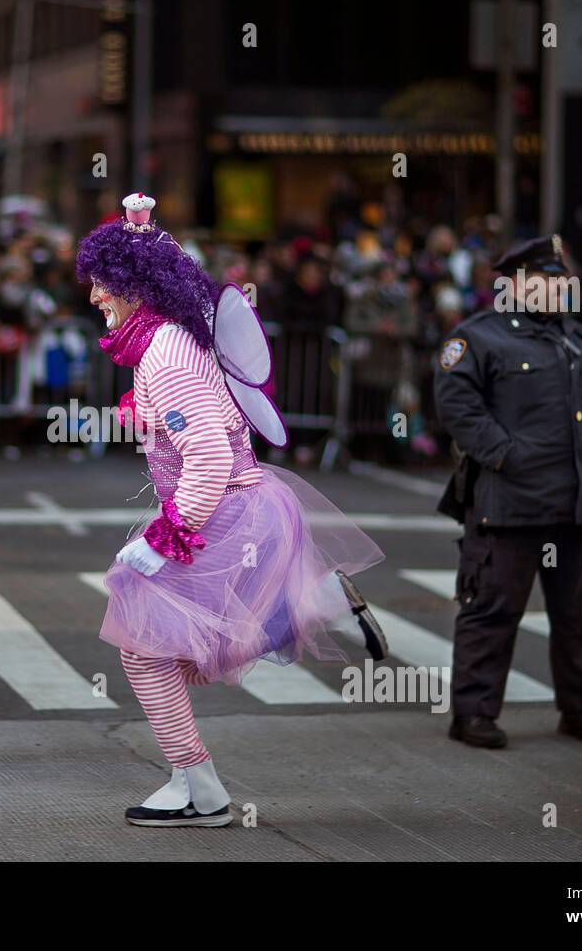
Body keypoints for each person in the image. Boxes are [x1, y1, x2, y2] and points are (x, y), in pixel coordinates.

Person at [79, 193, 383, 827]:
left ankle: (200, 786)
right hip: (237, 508)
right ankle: (202, 785)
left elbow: (211, 456)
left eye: (102, 284)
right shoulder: (169, 340)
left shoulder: (163, 354)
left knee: (146, 644)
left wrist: (164, 536)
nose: (93, 298)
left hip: (227, 511)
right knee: (172, 648)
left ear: (137, 288)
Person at [434, 234, 582, 750]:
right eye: (544, 281)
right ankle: (474, 714)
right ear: (514, 284)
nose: (556, 288)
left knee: (577, 613)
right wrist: (504, 454)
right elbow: (457, 403)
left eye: (561, 280)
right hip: (512, 502)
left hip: (579, 502)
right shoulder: (480, 337)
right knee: (492, 609)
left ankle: (580, 708)